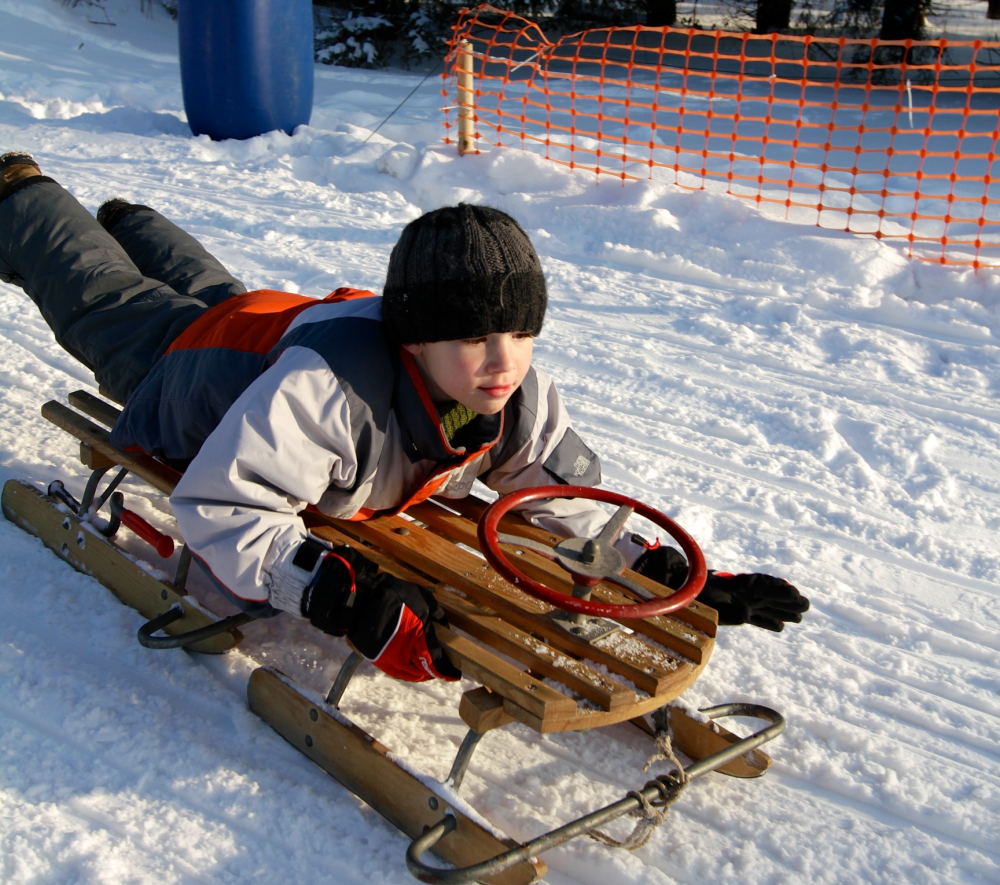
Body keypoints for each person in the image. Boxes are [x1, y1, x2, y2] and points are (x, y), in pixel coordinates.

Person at [0, 151, 809, 681]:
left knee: (228, 297)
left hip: (276, 325)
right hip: (197, 371)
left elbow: (559, 495)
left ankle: (129, 217)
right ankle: (25, 196)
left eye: (523, 333)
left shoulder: (507, 393)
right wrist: (332, 592)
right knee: (115, 305)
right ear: (415, 339)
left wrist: (660, 572)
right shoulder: (331, 395)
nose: (504, 361)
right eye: (475, 337)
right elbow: (220, 504)